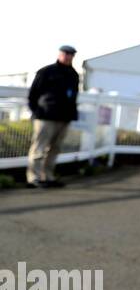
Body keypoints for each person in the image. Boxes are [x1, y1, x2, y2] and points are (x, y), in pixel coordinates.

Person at [26, 45, 79, 189]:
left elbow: (73, 96)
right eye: (65, 53)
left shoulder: (73, 74)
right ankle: (34, 178)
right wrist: (35, 112)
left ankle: (48, 176)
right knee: (39, 147)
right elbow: (33, 94)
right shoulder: (46, 71)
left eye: (71, 54)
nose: (68, 56)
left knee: (55, 148)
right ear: (60, 54)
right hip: (45, 115)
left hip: (64, 117)